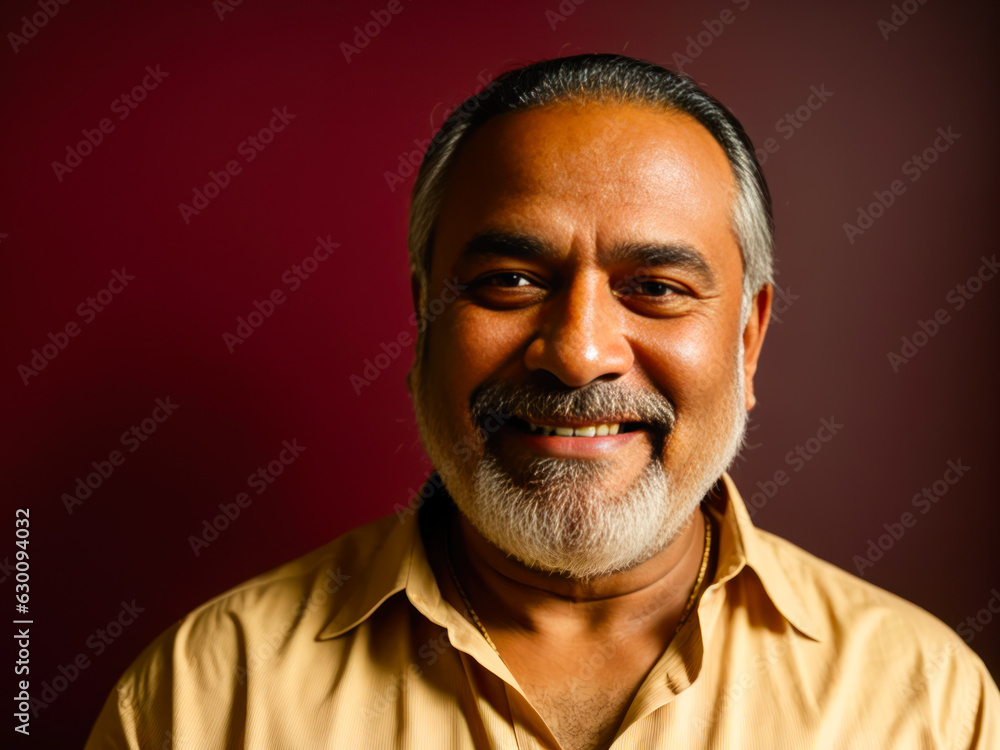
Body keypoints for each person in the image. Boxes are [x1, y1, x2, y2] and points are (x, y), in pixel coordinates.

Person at [85, 53, 999, 750]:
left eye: (655, 287)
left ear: (749, 339)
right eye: (512, 280)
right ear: (423, 317)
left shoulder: (925, 704)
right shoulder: (204, 699)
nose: (578, 354)